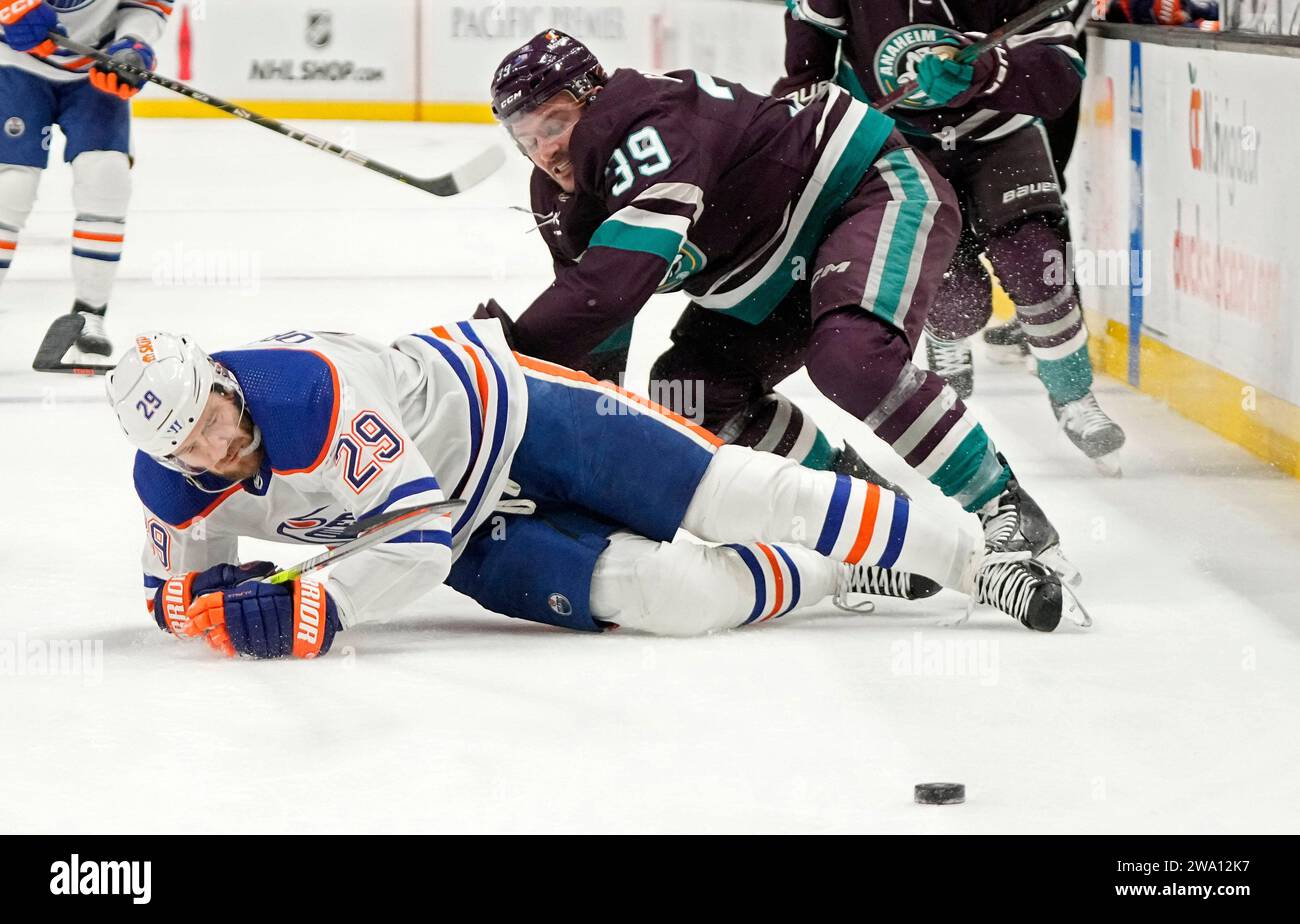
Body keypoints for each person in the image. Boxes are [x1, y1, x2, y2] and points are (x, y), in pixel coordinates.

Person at [105, 321, 1070, 661]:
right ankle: (838, 578)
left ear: (224, 379)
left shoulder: (309, 392)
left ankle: (974, 561)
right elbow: (169, 598)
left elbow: (414, 539)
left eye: (219, 413)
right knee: (675, 601)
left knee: (741, 492)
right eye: (197, 444)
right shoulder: (173, 484)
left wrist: (316, 604)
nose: (223, 442)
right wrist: (216, 614)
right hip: (470, 527)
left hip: (516, 416)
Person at [479, 29, 1070, 579]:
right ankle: (875, 519)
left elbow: (609, 287)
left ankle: (1006, 506)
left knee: (853, 358)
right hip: (769, 267)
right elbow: (597, 331)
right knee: (692, 392)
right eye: (526, 138)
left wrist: (499, 358)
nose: (546, 151)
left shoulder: (642, 129)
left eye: (554, 122)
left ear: (594, 97)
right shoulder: (561, 195)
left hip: (861, 192)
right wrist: (572, 437)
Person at [774, 0, 1126, 474]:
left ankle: (1074, 398)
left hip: (1000, 132)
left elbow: (1060, 74)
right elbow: (810, 33)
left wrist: (987, 71)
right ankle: (948, 332)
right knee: (953, 293)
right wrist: (807, 102)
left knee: (1036, 263)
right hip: (902, 139)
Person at [0, 0, 175, 363]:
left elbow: (147, 1)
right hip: (11, 56)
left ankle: (89, 314)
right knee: (10, 187)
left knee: (107, 176)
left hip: (94, 66)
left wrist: (133, 45)